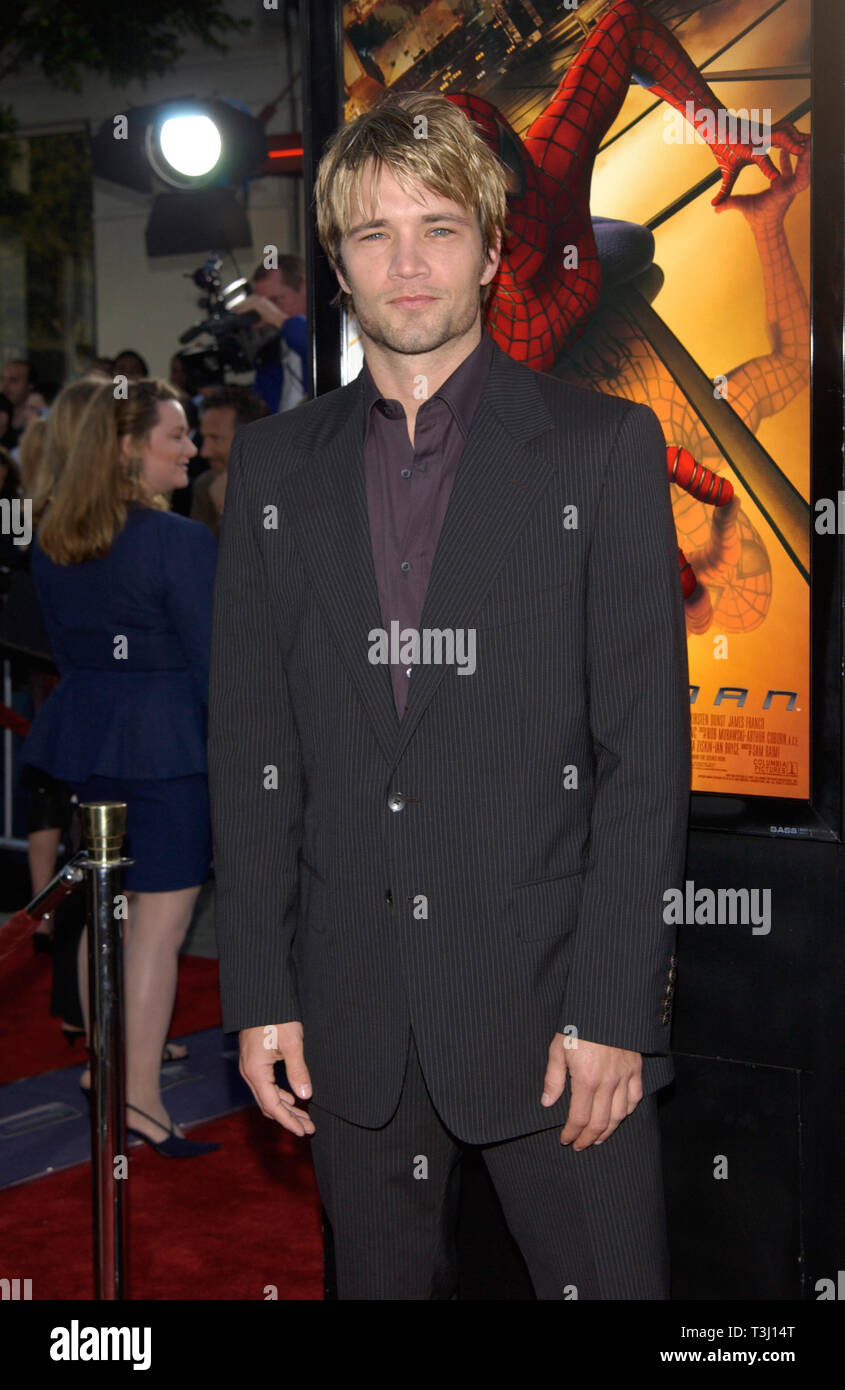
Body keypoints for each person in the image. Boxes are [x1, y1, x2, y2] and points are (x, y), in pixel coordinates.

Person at [208, 91, 690, 1297]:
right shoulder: (275, 465)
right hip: (350, 1012)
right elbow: (253, 745)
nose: (406, 261)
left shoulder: (599, 448)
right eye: (374, 235)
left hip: (554, 1016)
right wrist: (261, 991)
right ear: (337, 265)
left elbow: (642, 760)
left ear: (487, 254)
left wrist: (615, 1009)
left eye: (436, 228)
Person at [22, 378, 219, 1157]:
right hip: (171, 750)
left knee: (107, 910)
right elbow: (215, 668)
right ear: (132, 449)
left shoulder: (55, 539)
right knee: (155, 929)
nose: (193, 449)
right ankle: (137, 1100)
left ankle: (106, 1073)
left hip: (91, 743)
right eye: (176, 436)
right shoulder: (181, 543)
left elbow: (68, 656)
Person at [189, 385, 268, 538]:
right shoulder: (205, 485)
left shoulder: (289, 488)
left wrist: (228, 511)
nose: (204, 452)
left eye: (215, 438)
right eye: (204, 438)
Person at [233, 255, 309, 412]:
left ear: (304, 288)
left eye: (276, 300)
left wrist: (280, 320)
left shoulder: (339, 327)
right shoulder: (270, 353)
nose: (266, 312)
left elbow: (320, 348)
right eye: (263, 304)